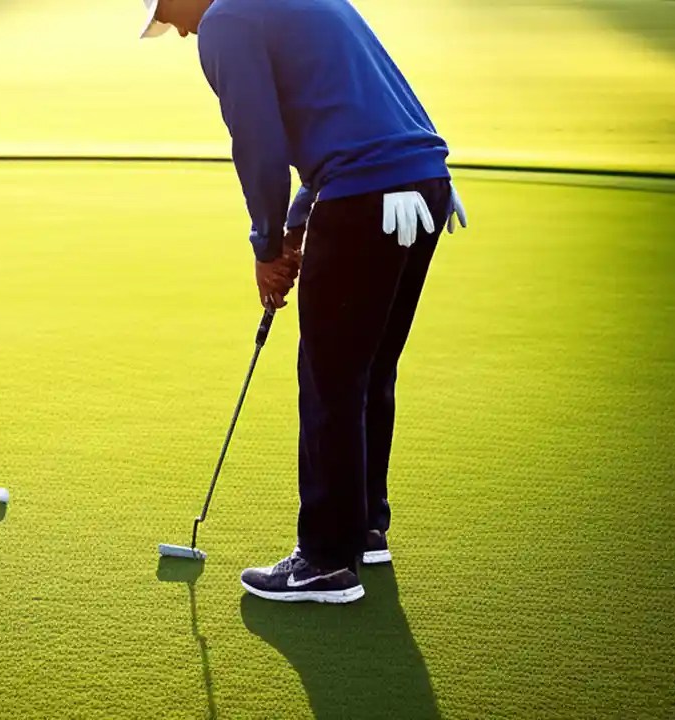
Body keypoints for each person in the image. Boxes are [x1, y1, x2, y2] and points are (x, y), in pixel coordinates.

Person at [139, 0, 469, 604]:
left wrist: (266, 244)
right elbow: (344, 118)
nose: (182, 31)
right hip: (427, 184)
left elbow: (259, 141)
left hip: (367, 194)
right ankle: (365, 526)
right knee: (368, 369)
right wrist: (296, 225)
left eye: (169, 14)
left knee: (328, 379)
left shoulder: (225, 21)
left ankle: (322, 560)